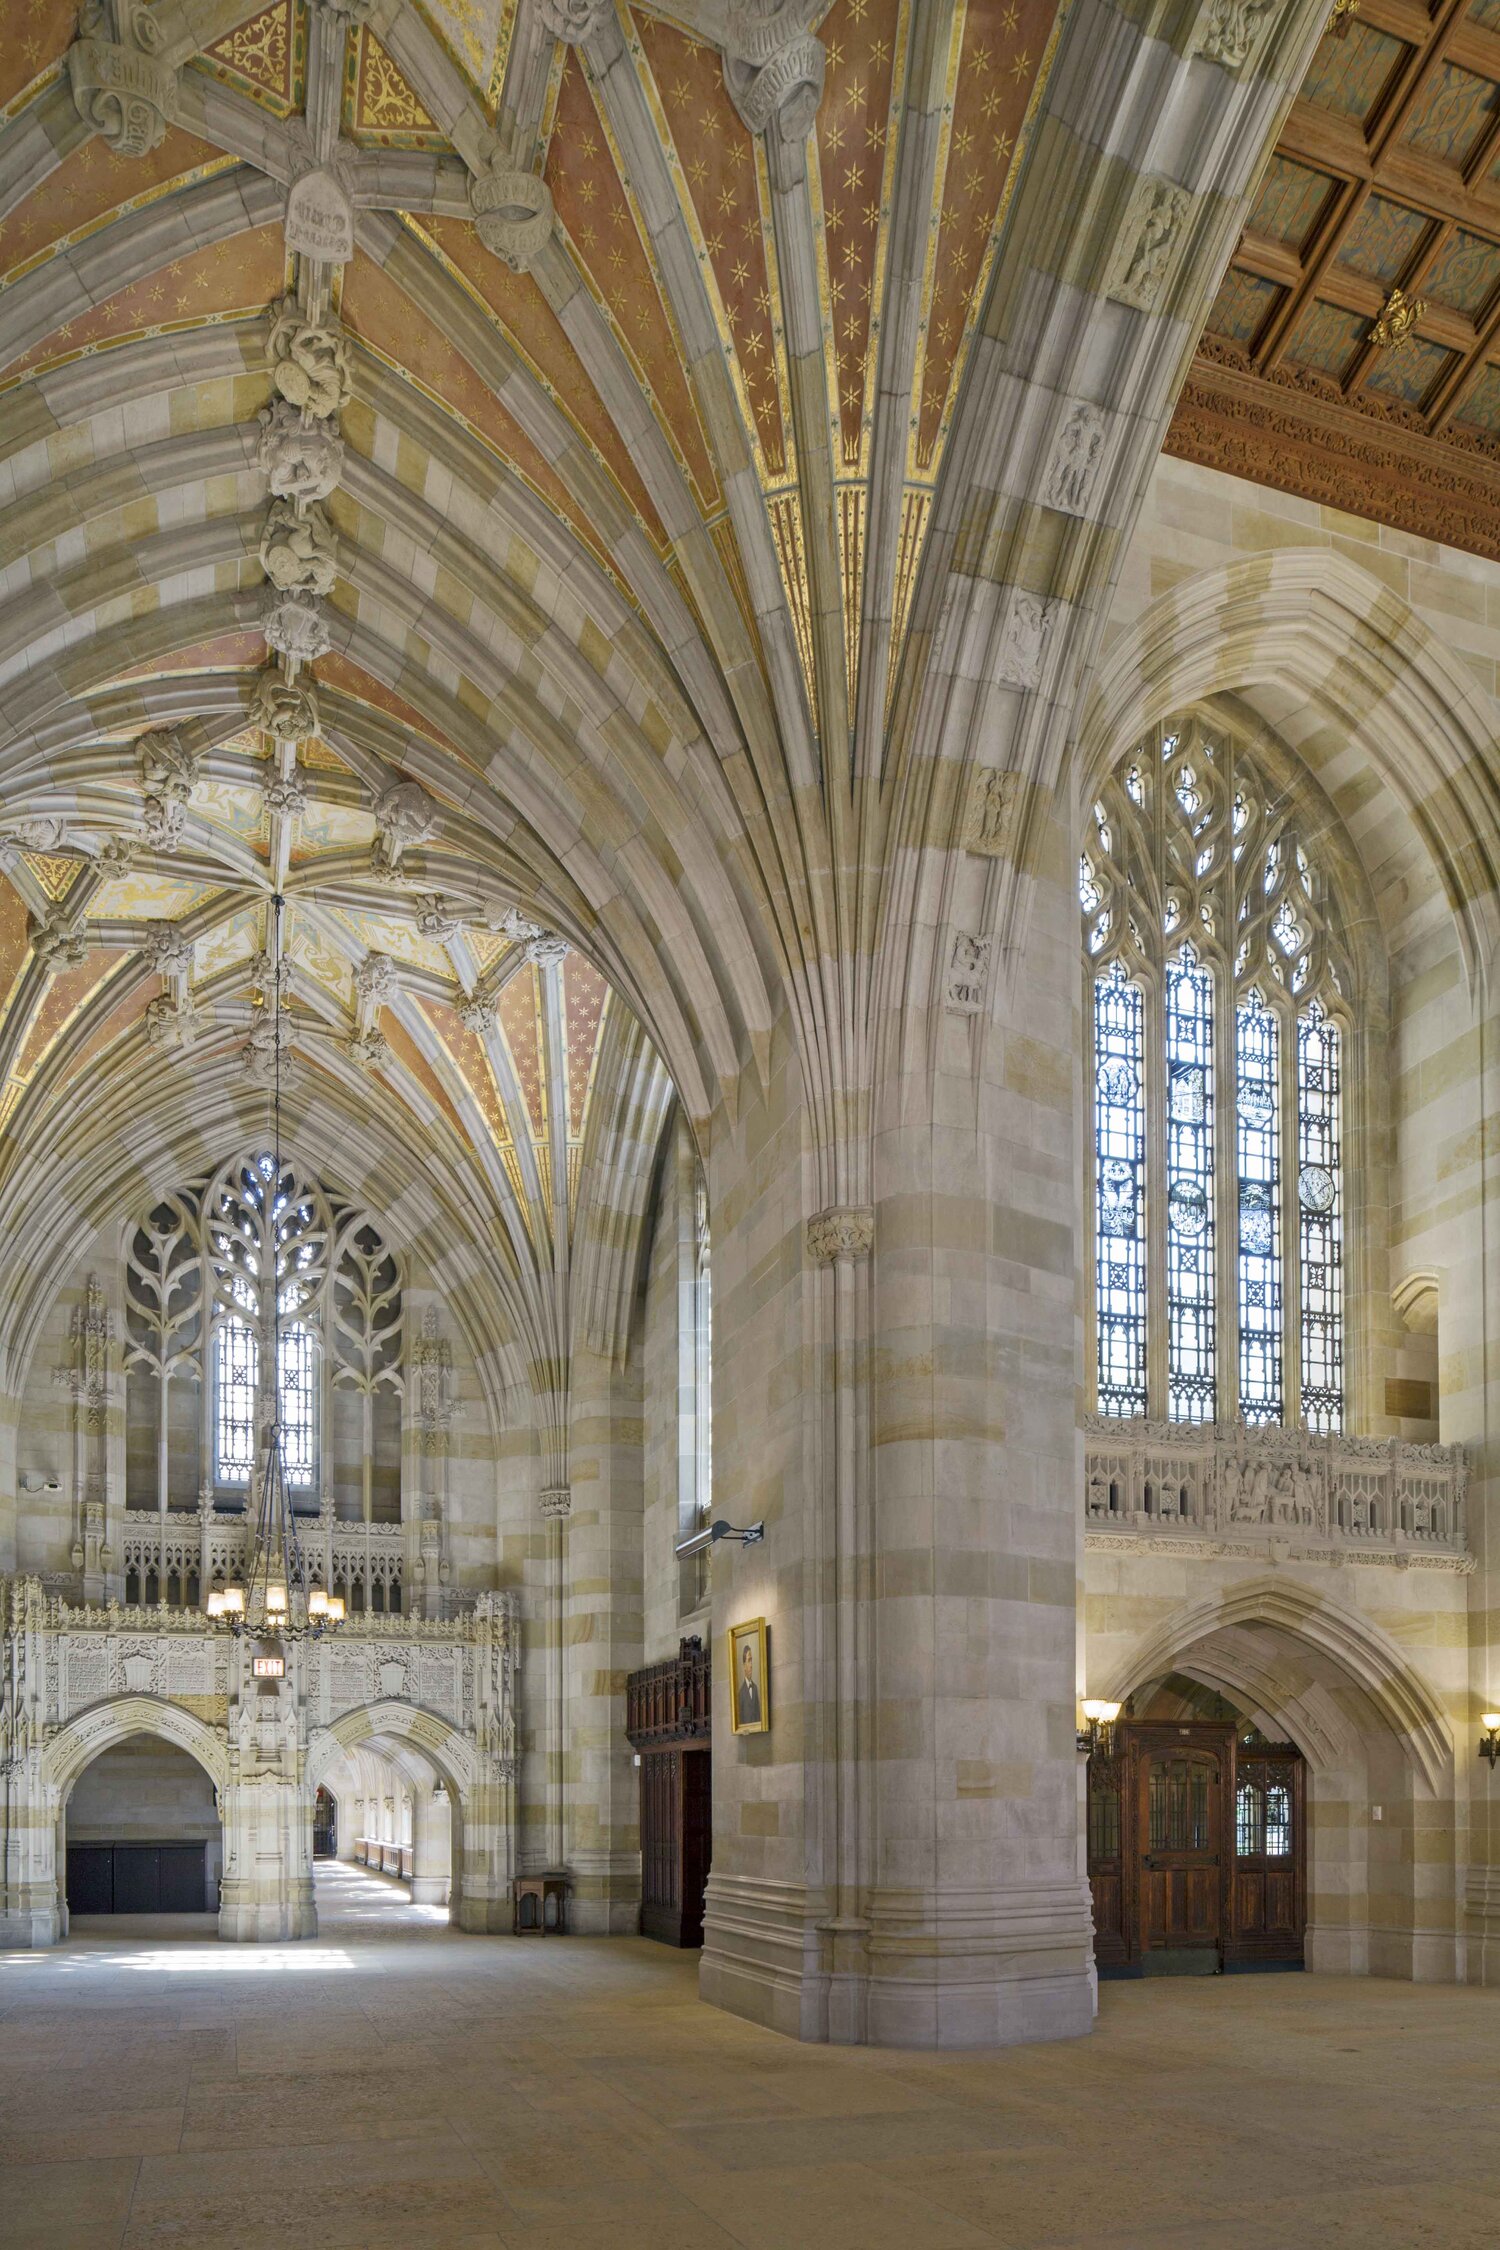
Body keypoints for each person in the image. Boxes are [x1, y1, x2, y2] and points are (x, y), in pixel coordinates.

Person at [737, 1637, 761, 1727]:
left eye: (752, 1660)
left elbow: (759, 1716)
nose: (751, 1665)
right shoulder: (741, 1693)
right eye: (749, 1661)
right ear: (744, 1665)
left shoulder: (755, 1688)